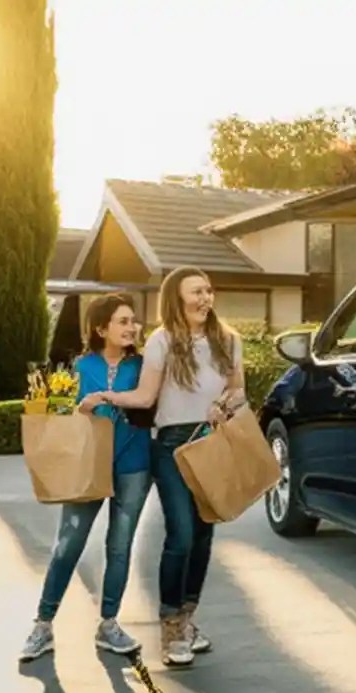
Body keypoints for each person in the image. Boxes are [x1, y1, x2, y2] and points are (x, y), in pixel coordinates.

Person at [86, 266, 246, 667]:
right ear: (177, 298)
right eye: (196, 292)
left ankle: (188, 618)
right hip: (171, 446)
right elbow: (144, 397)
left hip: (213, 440)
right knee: (182, 533)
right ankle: (170, 622)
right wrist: (104, 396)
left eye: (209, 291)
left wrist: (223, 404)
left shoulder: (228, 340)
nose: (205, 299)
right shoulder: (162, 340)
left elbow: (239, 389)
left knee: (205, 533)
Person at [20, 294, 152, 661]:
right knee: (69, 544)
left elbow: (153, 402)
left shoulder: (143, 366)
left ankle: (109, 624)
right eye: (123, 321)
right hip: (86, 463)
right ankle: (43, 624)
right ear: (101, 328)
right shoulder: (78, 366)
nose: (132, 327)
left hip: (134, 463)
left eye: (133, 321)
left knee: (120, 546)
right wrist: (81, 405)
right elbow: (60, 415)